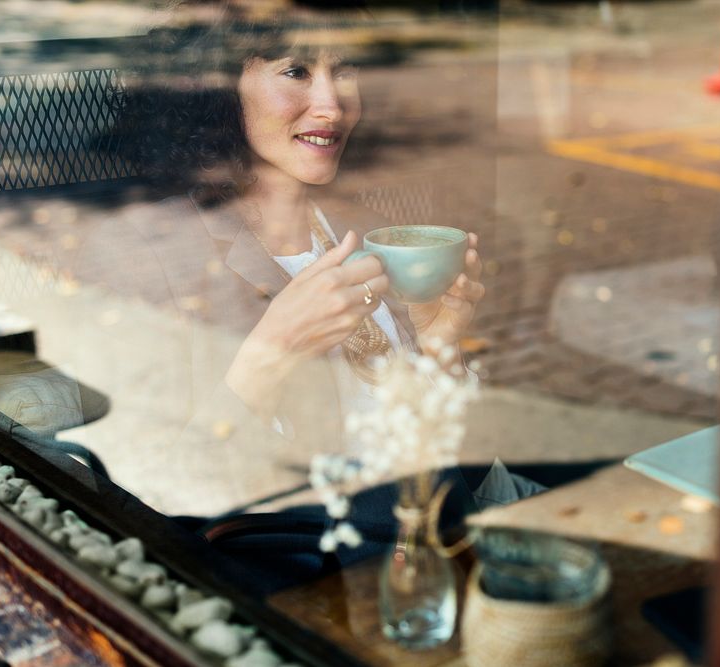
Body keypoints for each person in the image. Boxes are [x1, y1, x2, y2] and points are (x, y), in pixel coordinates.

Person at [107, 0, 489, 586]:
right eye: (296, 71)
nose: (332, 104)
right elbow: (150, 492)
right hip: (301, 591)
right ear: (215, 89)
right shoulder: (154, 256)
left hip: (428, 558)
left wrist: (440, 346)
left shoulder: (366, 232)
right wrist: (272, 354)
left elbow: (426, 452)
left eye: (344, 70)